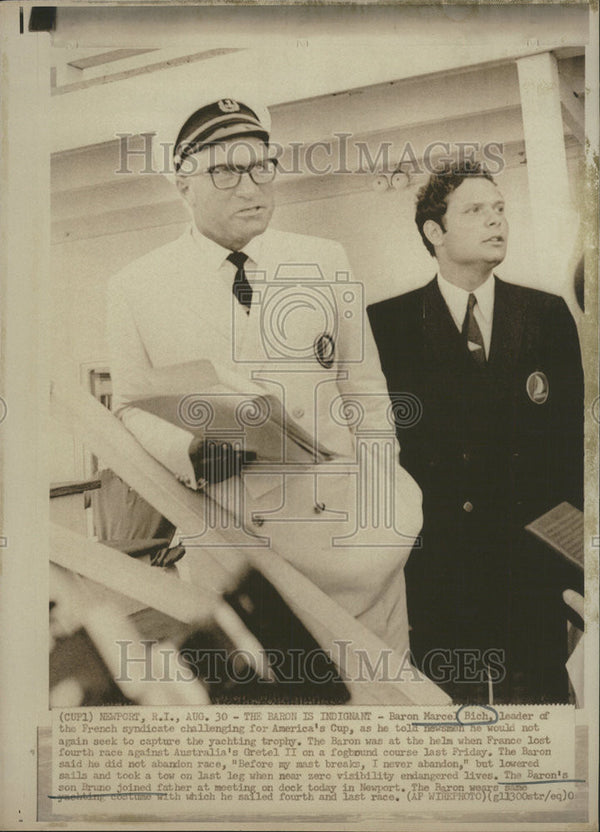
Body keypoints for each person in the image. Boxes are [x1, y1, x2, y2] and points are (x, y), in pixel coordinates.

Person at [106, 97, 423, 655]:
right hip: (234, 544)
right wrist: (190, 453)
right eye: (226, 171)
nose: (252, 188)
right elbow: (129, 407)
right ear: (184, 183)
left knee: (380, 707)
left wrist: (388, 511)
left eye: (261, 166)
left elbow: (367, 393)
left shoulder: (325, 260)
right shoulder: (136, 287)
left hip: (352, 538)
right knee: (270, 715)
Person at [367, 161, 583, 704]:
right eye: (475, 210)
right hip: (440, 568)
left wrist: (575, 566)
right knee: (450, 721)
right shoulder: (386, 326)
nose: (496, 221)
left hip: (531, 568)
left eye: (500, 208)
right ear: (433, 233)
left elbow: (568, 453)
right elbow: (378, 456)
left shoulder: (546, 314)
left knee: (544, 716)